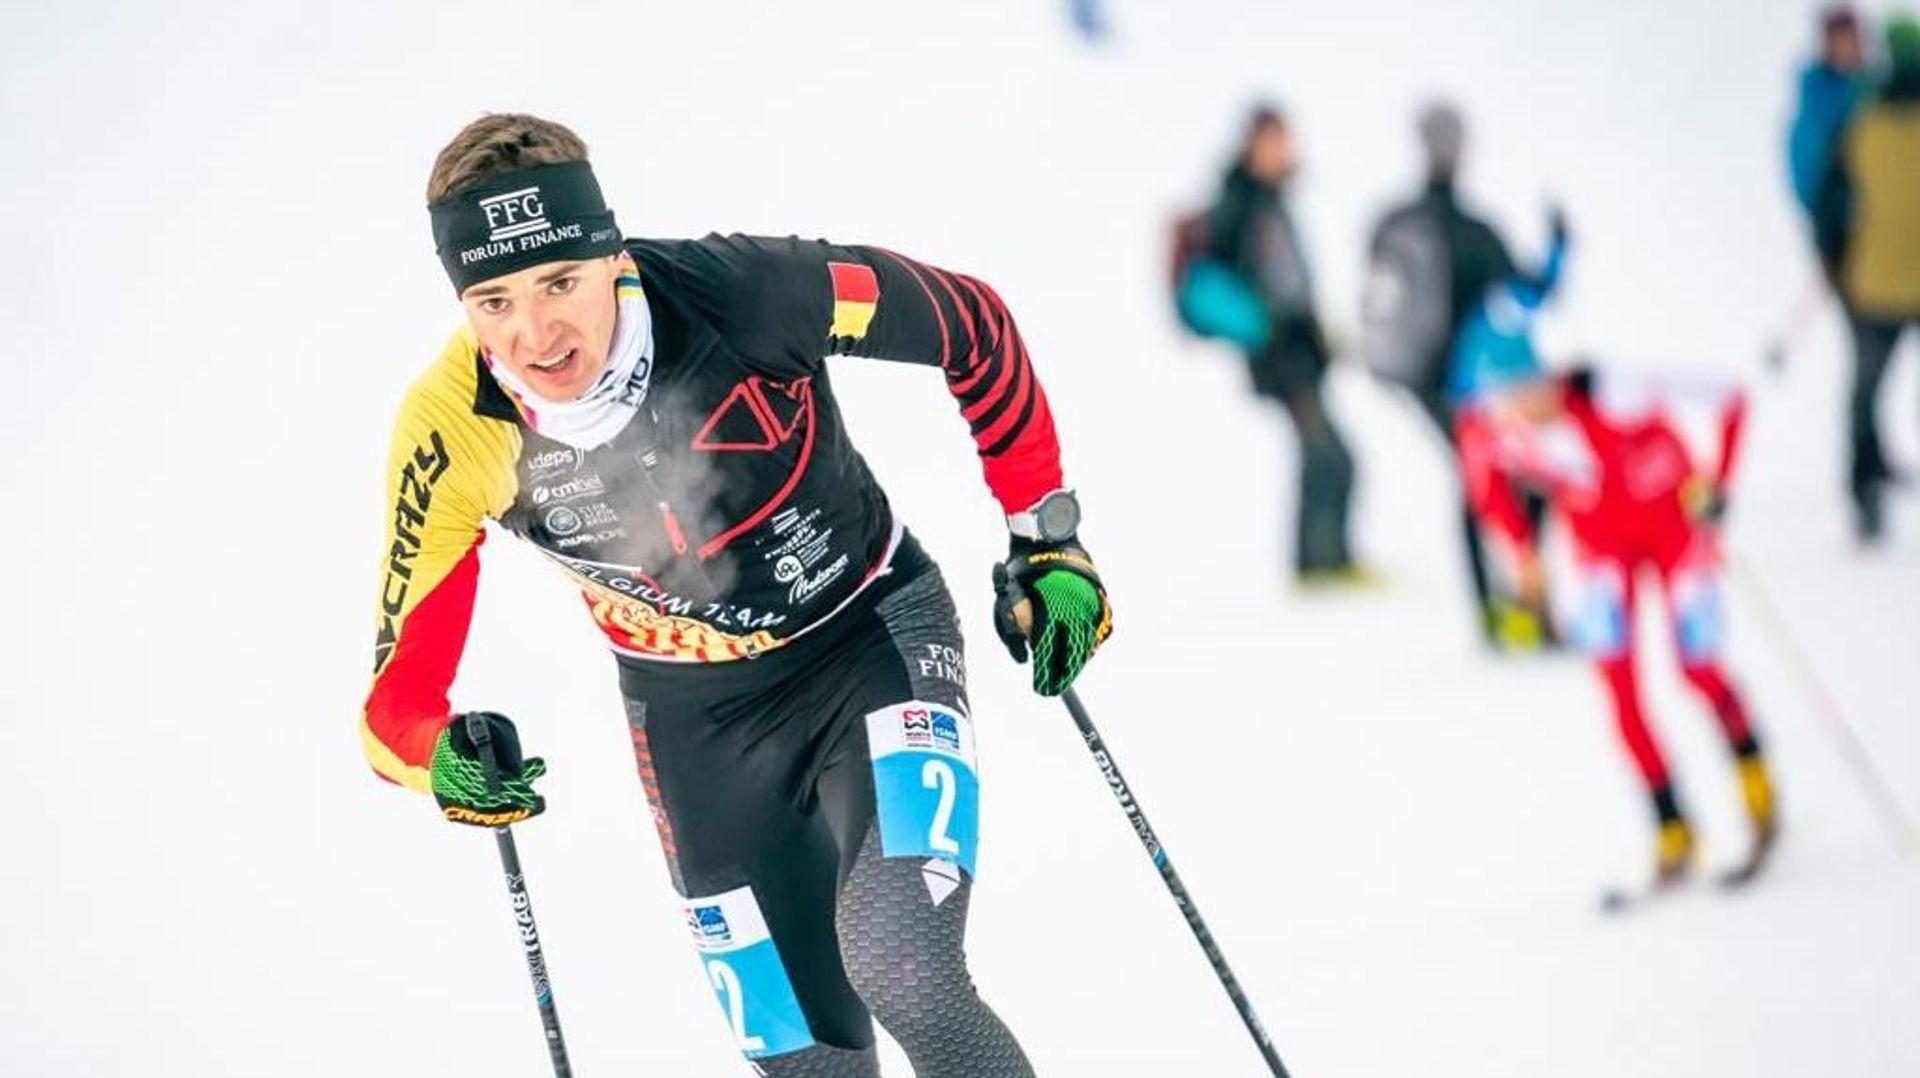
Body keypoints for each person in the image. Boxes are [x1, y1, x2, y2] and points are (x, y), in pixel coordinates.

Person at [361, 113, 1114, 1077]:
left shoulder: (751, 295)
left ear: (612, 256)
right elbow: (394, 707)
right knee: (797, 1055)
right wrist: (443, 761)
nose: (534, 333)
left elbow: (974, 326)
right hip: (694, 724)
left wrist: (1046, 538)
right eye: (493, 299)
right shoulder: (454, 428)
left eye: (559, 282)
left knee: (905, 966)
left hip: (865, 641)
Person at [1453, 335, 1777, 885]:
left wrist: (1718, 485)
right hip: (1602, 550)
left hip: (1675, 535)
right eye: (1503, 399)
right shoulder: (1492, 425)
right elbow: (1485, 486)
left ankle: (1755, 787)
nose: (1518, 410)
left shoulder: (1613, 387)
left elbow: (1731, 398)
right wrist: (1523, 551)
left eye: (1524, 392)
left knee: (1698, 670)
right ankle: (1671, 825)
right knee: (1620, 691)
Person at [1364, 101, 1567, 645]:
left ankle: (1495, 612)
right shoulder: (1473, 230)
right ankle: (1521, 610)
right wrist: (1559, 250)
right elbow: (1529, 293)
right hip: (1476, 389)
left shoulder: (1398, 221)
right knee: (1520, 484)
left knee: (1478, 486)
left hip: (1424, 383)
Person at [1182, 105, 1363, 584]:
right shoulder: (1240, 202)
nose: (1281, 151)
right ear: (1251, 144)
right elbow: (1217, 282)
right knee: (1330, 455)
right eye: (1271, 141)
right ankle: (1322, 565)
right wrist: (1266, 324)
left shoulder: (1271, 198)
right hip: (1279, 355)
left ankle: (1324, 562)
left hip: (1298, 349)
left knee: (1324, 454)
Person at [1817, 12, 1920, 543]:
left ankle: (1864, 498)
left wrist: (1831, 258)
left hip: (1872, 286)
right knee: (1866, 394)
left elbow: (1830, 202)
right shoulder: (1863, 121)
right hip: (1887, 282)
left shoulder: (1862, 123)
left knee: (1864, 395)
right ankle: (1867, 495)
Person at [1787, 6, 1868, 221]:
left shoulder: (1868, 88)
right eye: (1844, 39)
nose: (1854, 46)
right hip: (1839, 216)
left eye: (1856, 38)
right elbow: (1809, 161)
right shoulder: (1817, 97)